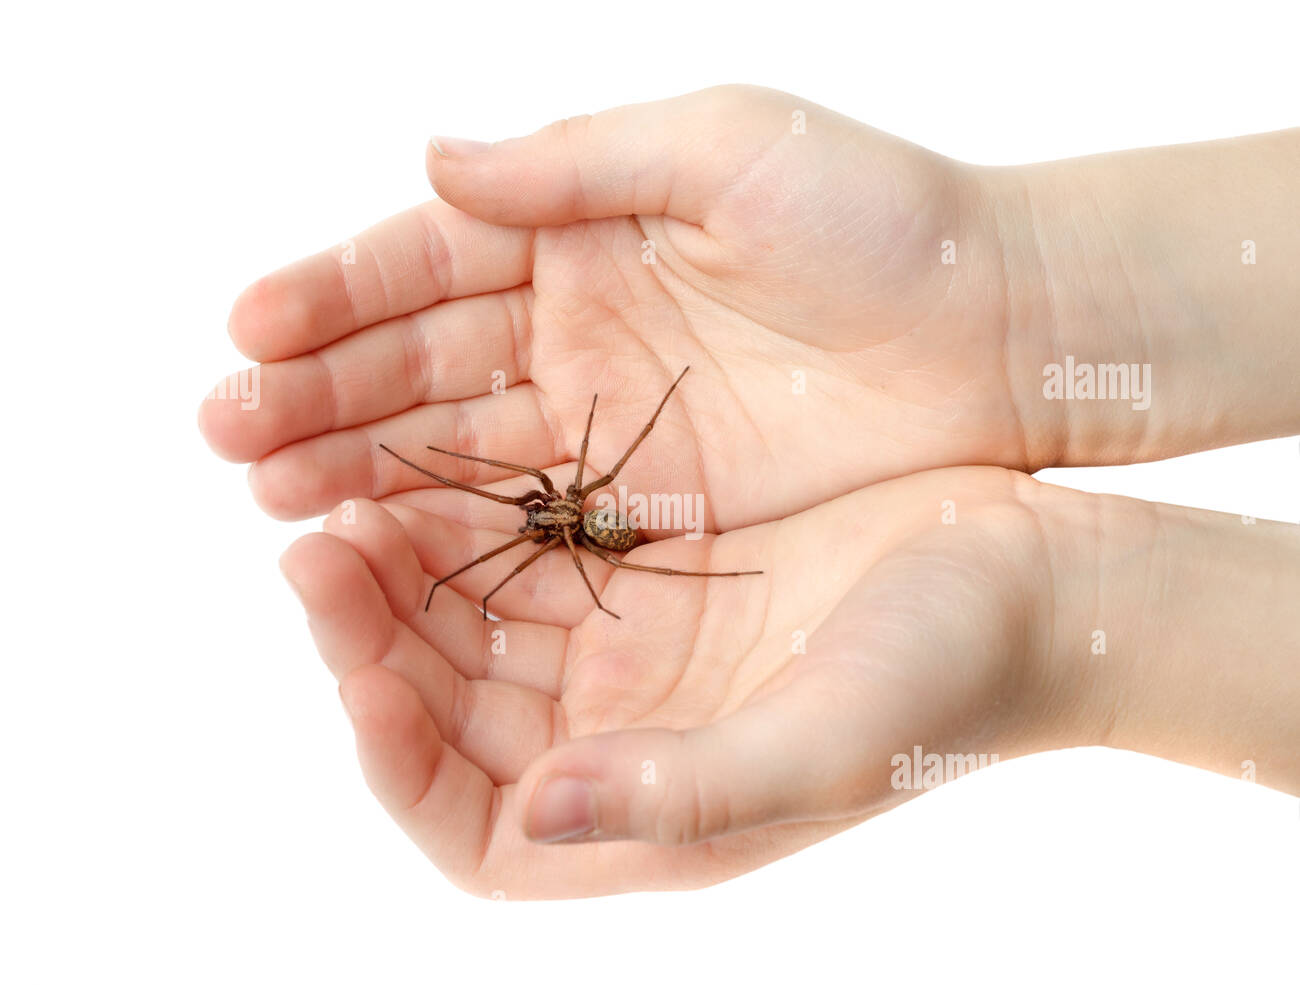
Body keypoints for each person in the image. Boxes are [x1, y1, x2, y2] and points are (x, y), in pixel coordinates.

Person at [198, 85, 1300, 899]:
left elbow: (589, 451)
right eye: (546, 519)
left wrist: (1015, 283)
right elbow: (549, 515)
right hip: (623, 534)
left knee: (563, 485)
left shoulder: (576, 502)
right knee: (540, 513)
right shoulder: (563, 528)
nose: (540, 517)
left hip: (623, 521)